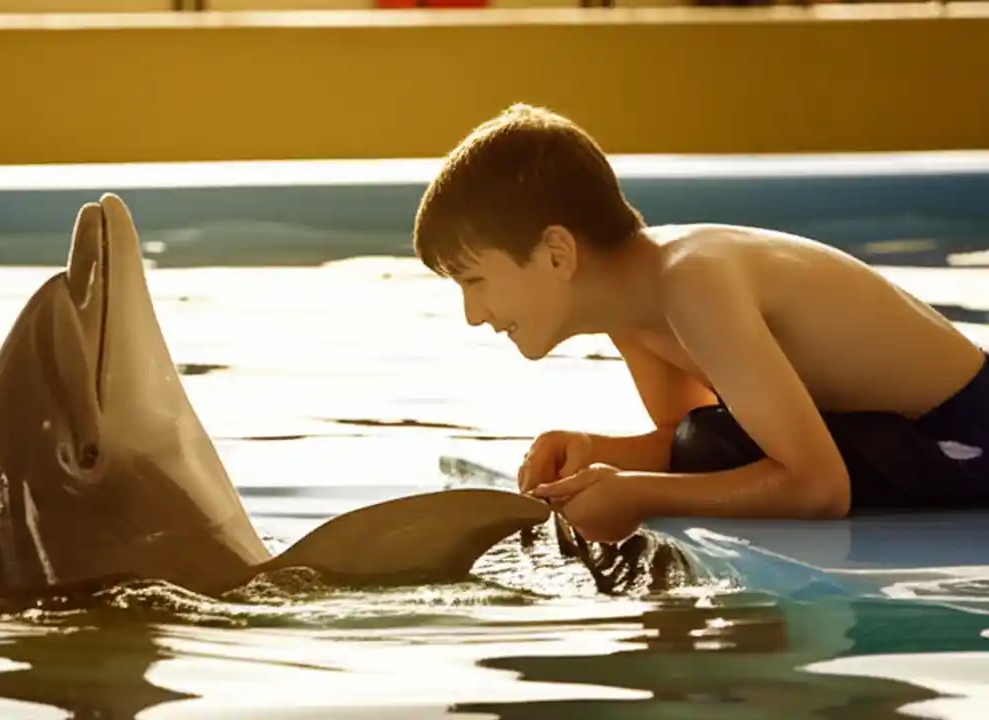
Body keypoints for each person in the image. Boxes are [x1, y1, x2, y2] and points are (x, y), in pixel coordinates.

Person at [412, 103, 989, 543]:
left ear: (556, 254)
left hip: (970, 436)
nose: (472, 315)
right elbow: (684, 441)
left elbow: (820, 488)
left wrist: (636, 494)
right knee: (705, 442)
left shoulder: (692, 285)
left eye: (475, 281)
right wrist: (595, 452)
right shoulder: (632, 301)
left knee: (715, 450)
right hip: (931, 435)